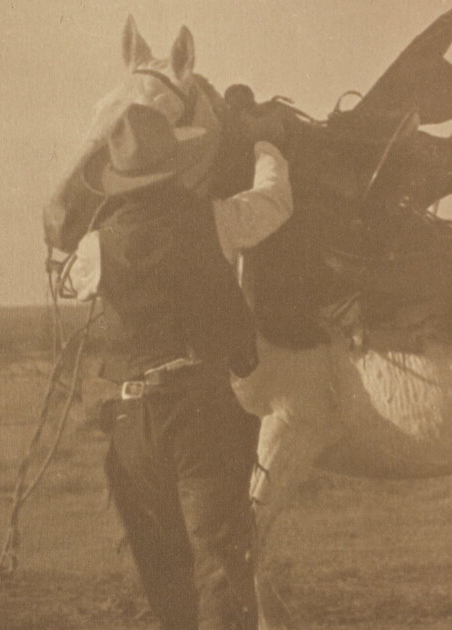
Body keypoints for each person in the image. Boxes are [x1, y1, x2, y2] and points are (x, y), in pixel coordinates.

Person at [66, 101, 291, 629]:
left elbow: (71, 280)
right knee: (218, 566)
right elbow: (275, 202)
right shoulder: (215, 217)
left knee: (165, 573)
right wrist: (266, 146)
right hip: (201, 413)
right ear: (177, 163)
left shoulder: (96, 247)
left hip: (132, 424)